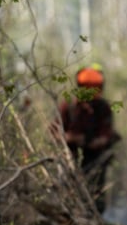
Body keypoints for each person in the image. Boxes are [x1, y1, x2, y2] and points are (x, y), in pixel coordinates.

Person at [52, 64, 121, 213]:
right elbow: (55, 132)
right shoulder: (68, 106)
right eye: (87, 88)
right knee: (68, 194)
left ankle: (94, 224)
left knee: (95, 197)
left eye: (94, 88)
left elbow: (105, 136)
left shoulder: (103, 108)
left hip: (95, 160)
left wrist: (91, 142)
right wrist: (71, 138)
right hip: (71, 158)